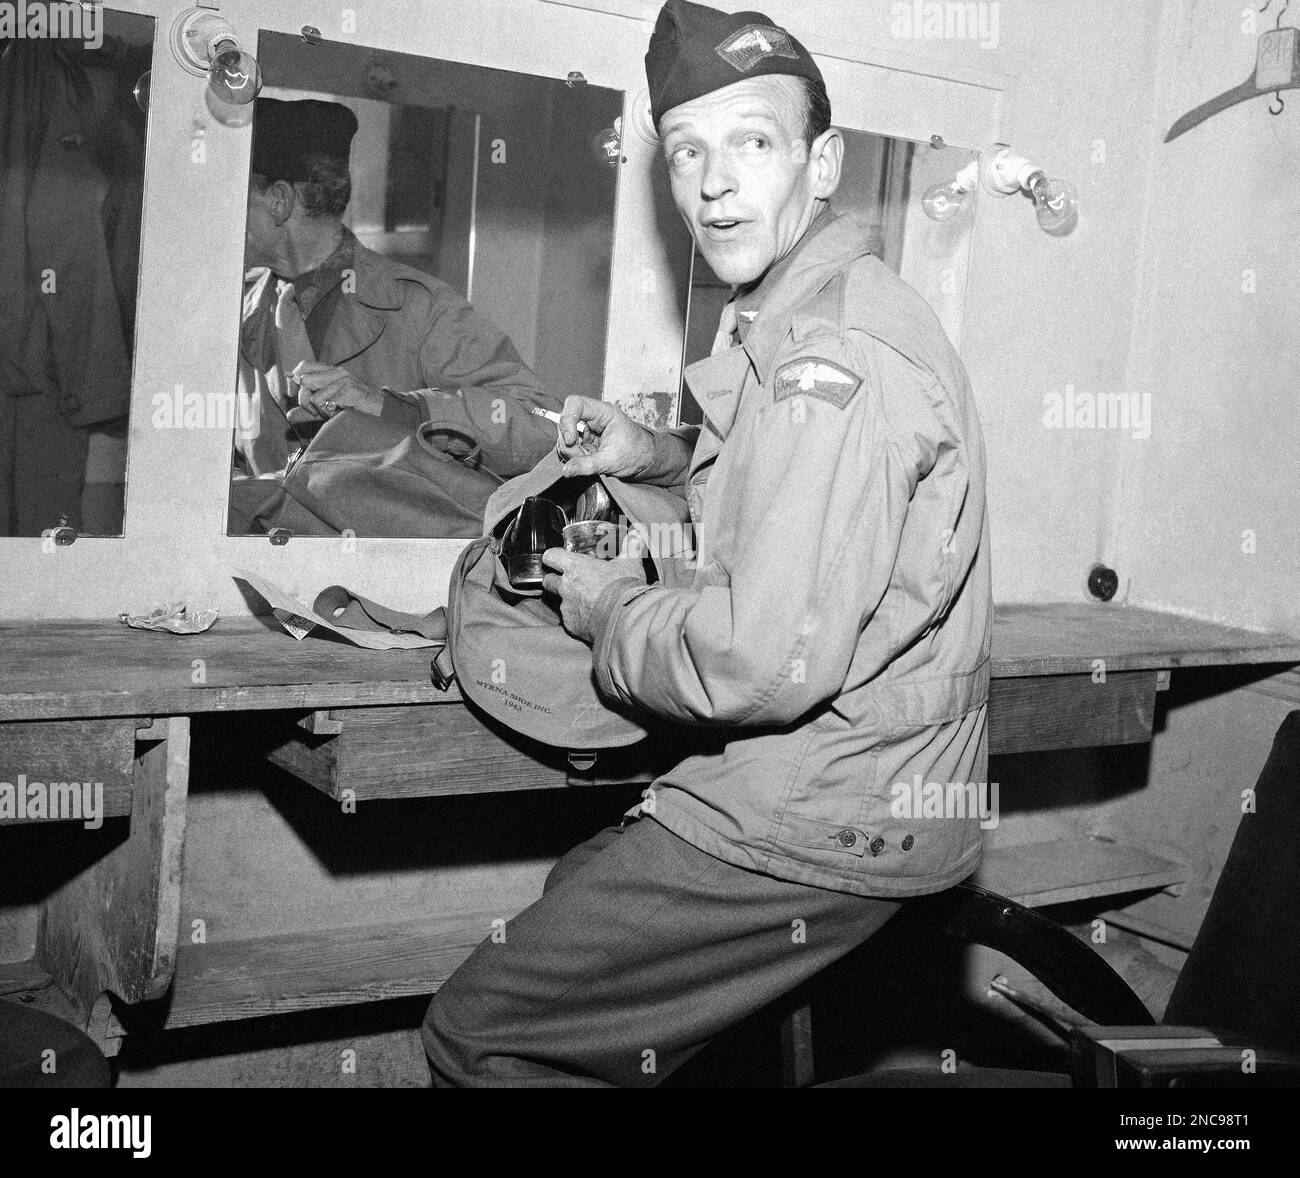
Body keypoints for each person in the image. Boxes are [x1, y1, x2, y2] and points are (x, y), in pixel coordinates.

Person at [422, 0, 992, 1086]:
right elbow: (789, 506)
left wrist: (601, 606)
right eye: (687, 151)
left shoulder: (831, 355)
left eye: (752, 142)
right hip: (862, 785)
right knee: (573, 898)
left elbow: (756, 661)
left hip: (822, 803)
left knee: (481, 1028)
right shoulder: (816, 310)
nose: (714, 182)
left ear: (821, 165)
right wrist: (655, 451)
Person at [233, 97, 561, 523]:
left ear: (278, 200)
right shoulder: (237, 310)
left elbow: (544, 426)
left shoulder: (418, 308)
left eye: (238, 193)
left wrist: (394, 408)